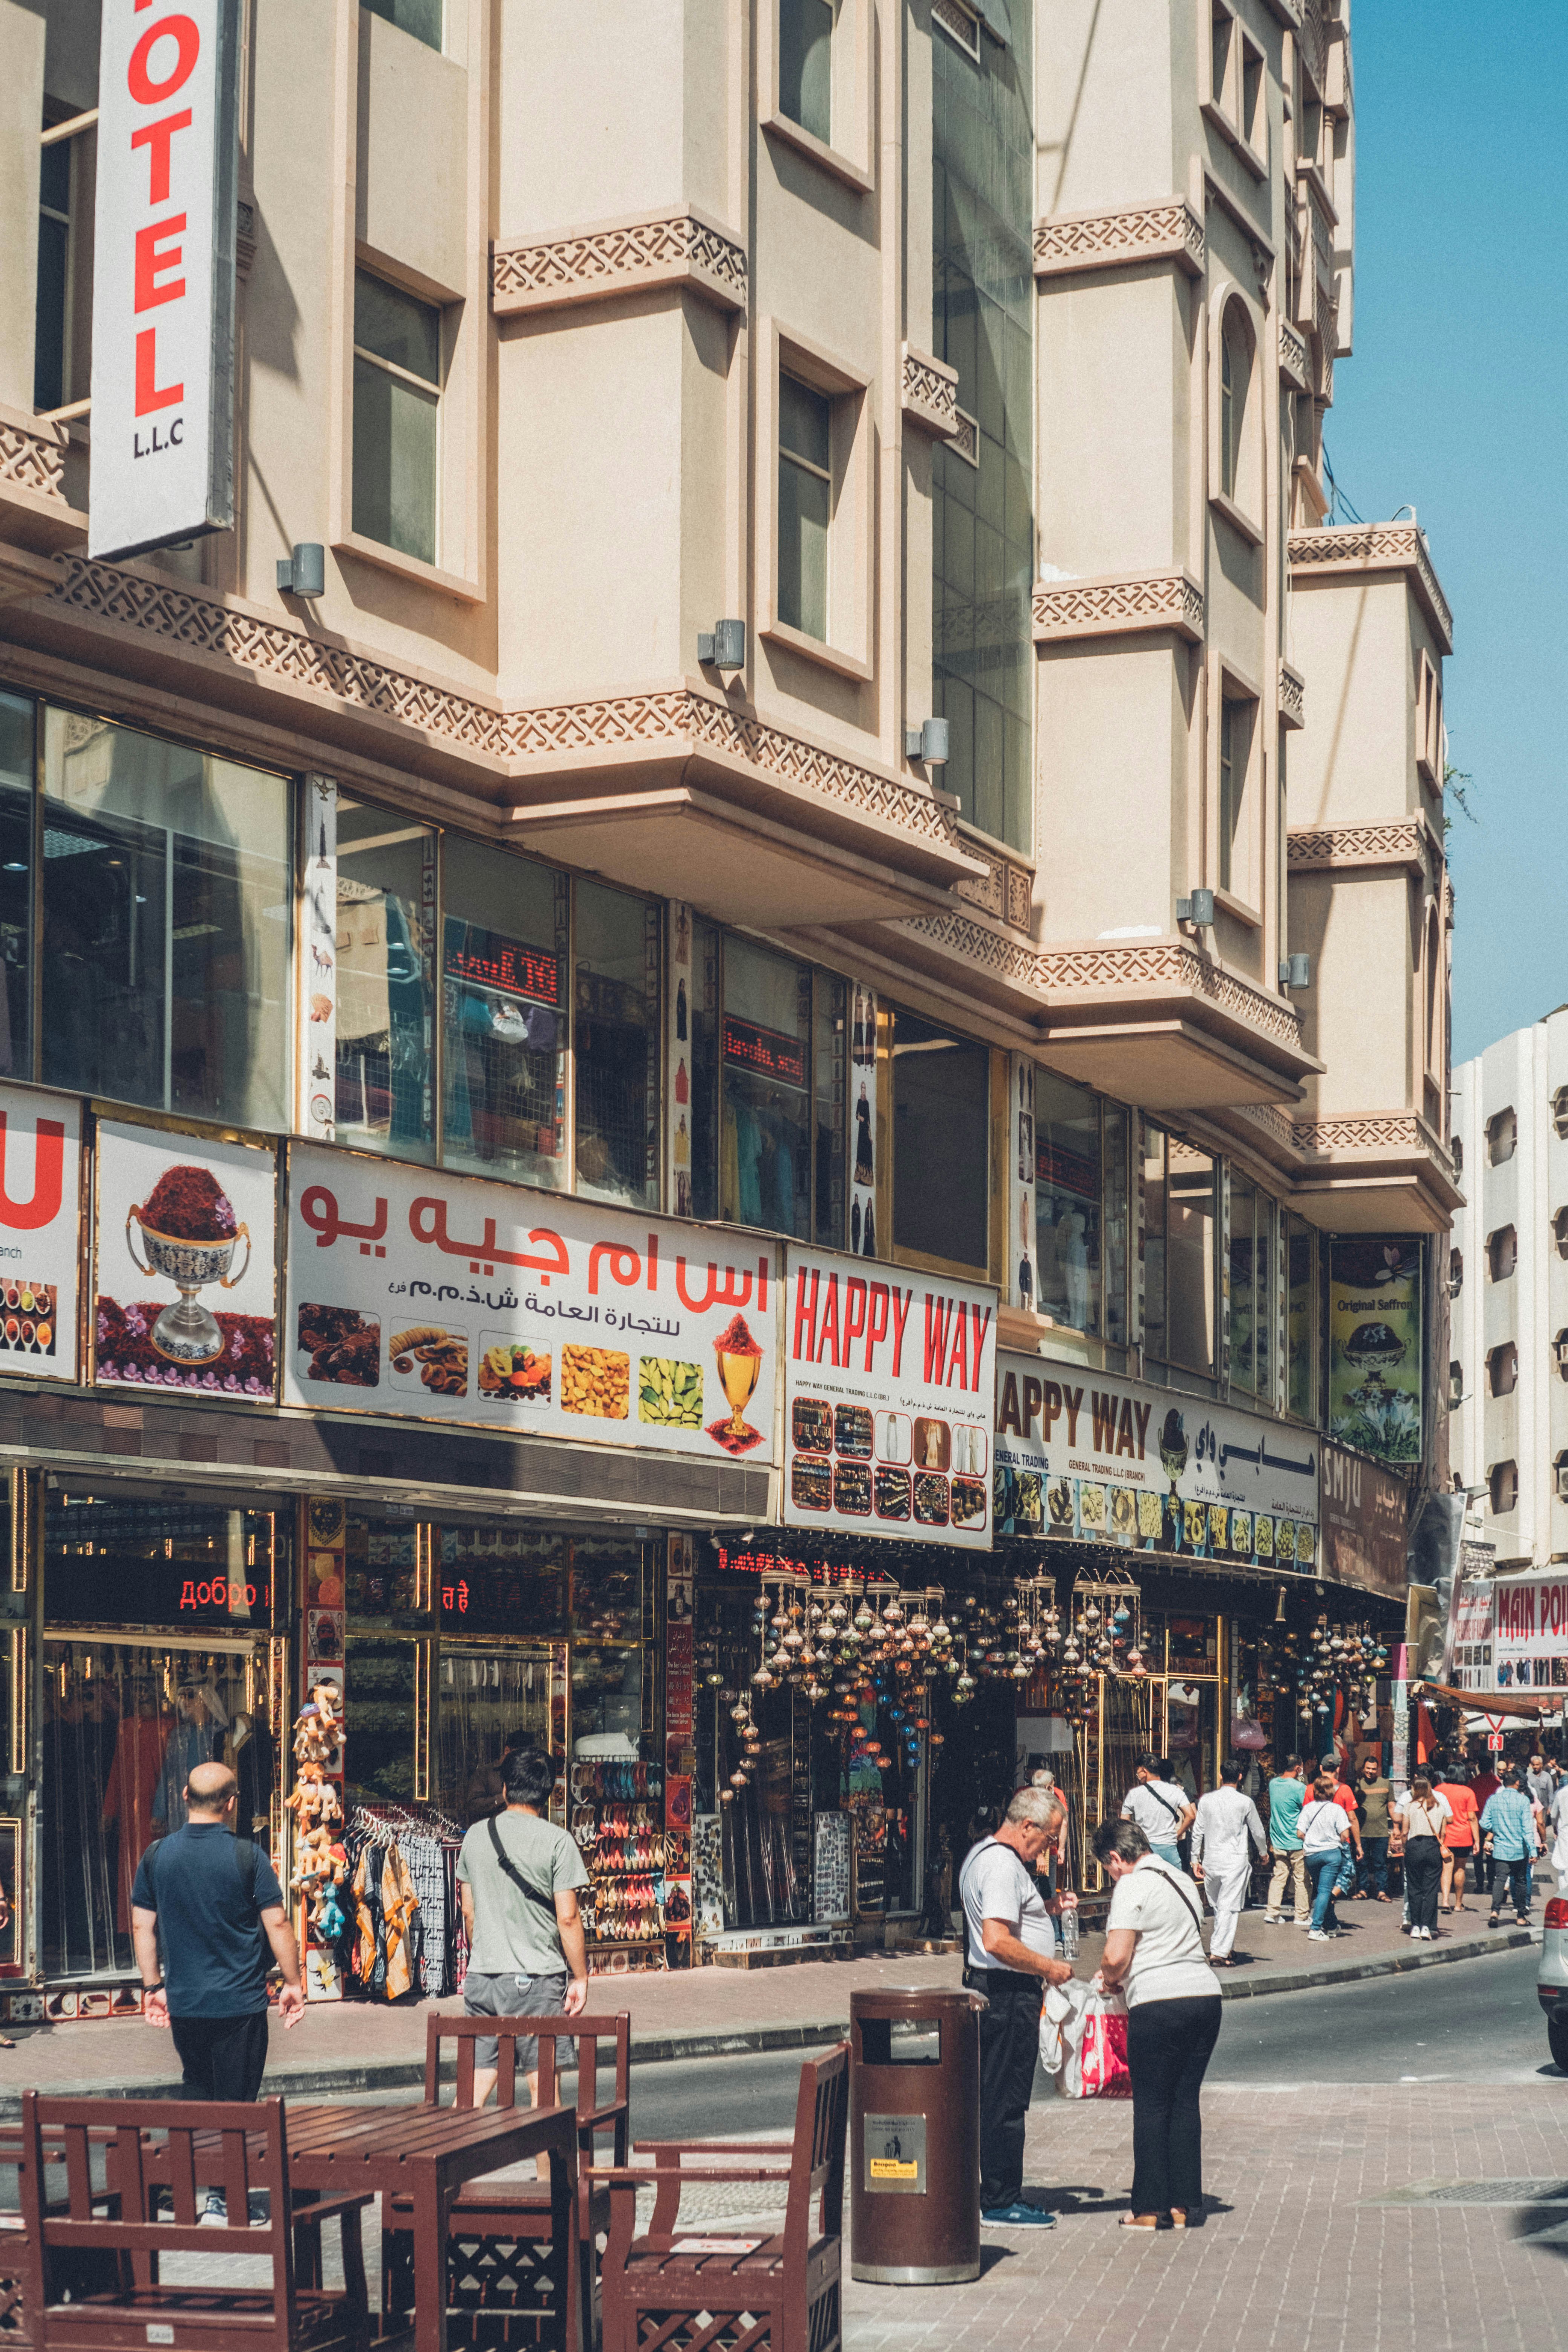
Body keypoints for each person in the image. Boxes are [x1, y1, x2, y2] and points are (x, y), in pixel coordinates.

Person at [130, 1763, 303, 2157]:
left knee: (197, 2091)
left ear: (185, 1797)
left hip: (186, 2003)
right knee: (236, 2105)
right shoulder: (249, 1856)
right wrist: (293, 1983)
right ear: (231, 1803)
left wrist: (153, 1986)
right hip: (239, 2005)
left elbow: (143, 1926)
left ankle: (191, 2178)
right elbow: (277, 1922)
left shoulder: (156, 1855)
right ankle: (225, 2187)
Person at [1092, 1817, 1222, 2231]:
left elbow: (1116, 1956)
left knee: (1151, 2104)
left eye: (1108, 1869)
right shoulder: (1181, 1879)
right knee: (1184, 2101)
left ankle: (1148, 2209)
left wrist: (1108, 1980)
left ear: (1116, 1858)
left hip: (1158, 2001)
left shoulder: (1132, 1885)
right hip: (1205, 1997)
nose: (1112, 1876)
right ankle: (1183, 2205)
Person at [959, 1786, 1077, 2229]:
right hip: (1008, 1992)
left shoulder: (984, 1855)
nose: (1049, 1848)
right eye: (1049, 1837)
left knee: (996, 2094)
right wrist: (1049, 1967)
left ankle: (996, 2192)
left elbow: (1006, 1920)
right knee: (1005, 2098)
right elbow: (996, 1940)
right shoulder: (1002, 1865)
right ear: (1026, 1826)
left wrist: (1045, 1909)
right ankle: (1000, 2200)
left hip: (998, 1989)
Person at [455, 1747, 590, 2110]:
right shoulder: (558, 1841)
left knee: (472, 2091)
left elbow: (469, 1912)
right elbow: (568, 1918)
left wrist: (487, 1952)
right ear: (549, 1792)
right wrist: (580, 1977)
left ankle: (449, 2143)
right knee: (543, 2095)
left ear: (504, 1789)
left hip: (482, 1978)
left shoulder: (475, 1837)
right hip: (536, 1979)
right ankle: (549, 2155)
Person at [1190, 1760, 1267, 1966]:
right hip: (1234, 1860)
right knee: (1228, 1907)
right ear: (1240, 1777)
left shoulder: (1206, 1800)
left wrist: (1195, 1859)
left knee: (1219, 1905)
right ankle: (1219, 1952)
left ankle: (1226, 1947)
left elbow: (1197, 1832)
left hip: (1211, 1859)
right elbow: (1258, 1832)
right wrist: (1264, 1852)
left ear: (1220, 1776)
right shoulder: (1245, 1802)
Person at [1298, 1773, 1353, 1941]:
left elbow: (1300, 1833)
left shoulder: (1308, 1809)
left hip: (1311, 1855)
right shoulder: (1337, 1810)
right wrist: (1335, 1841)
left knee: (1321, 1890)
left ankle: (1331, 1925)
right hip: (1331, 1854)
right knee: (1325, 1891)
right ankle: (1315, 1929)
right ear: (1331, 1791)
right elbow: (1345, 1834)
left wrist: (1312, 1840)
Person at [1481, 1770, 1538, 1928]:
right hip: (1519, 1849)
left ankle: (1495, 1912)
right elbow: (1527, 1829)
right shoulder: (1523, 1801)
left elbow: (1484, 1822)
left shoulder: (1494, 1799)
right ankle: (1520, 1916)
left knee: (1500, 1879)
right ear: (1518, 1783)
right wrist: (1533, 1851)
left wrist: (1497, 1828)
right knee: (1520, 1881)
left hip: (1501, 1848)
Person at [1396, 1775, 1450, 1940]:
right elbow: (1443, 1833)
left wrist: (1405, 1847)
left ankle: (1415, 1926)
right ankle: (1427, 1926)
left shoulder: (1409, 1807)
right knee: (1431, 1889)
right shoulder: (1439, 1807)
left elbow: (1405, 1832)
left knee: (1414, 1888)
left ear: (1414, 1789)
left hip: (1415, 1846)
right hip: (1433, 1847)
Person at [1120, 1754, 1195, 1869]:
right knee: (1173, 1880)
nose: (1138, 1776)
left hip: (1145, 1850)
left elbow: (1124, 1823)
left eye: (1138, 1772)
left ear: (1144, 1771)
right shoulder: (1176, 1791)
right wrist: (1177, 1835)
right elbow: (1191, 1816)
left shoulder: (1134, 1794)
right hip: (1169, 1849)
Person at [1263, 1756, 1310, 1926]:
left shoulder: (1273, 1784)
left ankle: (1272, 1912)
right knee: (1302, 1880)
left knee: (1279, 1877)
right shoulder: (1300, 1788)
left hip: (1278, 1841)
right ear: (1298, 1768)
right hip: (1297, 1842)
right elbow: (1307, 1811)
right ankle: (1301, 1916)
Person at [1434, 1764, 1479, 1913]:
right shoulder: (1468, 1792)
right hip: (1463, 1837)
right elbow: (1472, 1818)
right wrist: (1477, 1840)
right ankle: (1458, 1904)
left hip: (1444, 1836)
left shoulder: (1439, 1789)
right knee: (1460, 1870)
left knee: (1446, 1869)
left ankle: (1445, 1902)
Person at [1355, 1758, 1395, 1901]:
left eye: (1374, 1769)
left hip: (1381, 1832)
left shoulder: (1386, 1784)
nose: (1371, 1772)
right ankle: (1363, 1890)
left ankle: (1382, 1891)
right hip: (1362, 1832)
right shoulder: (1357, 1785)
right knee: (1362, 1863)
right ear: (1363, 1768)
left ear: (1378, 1770)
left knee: (1381, 1863)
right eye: (1368, 1768)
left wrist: (1396, 1827)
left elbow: (1391, 1806)